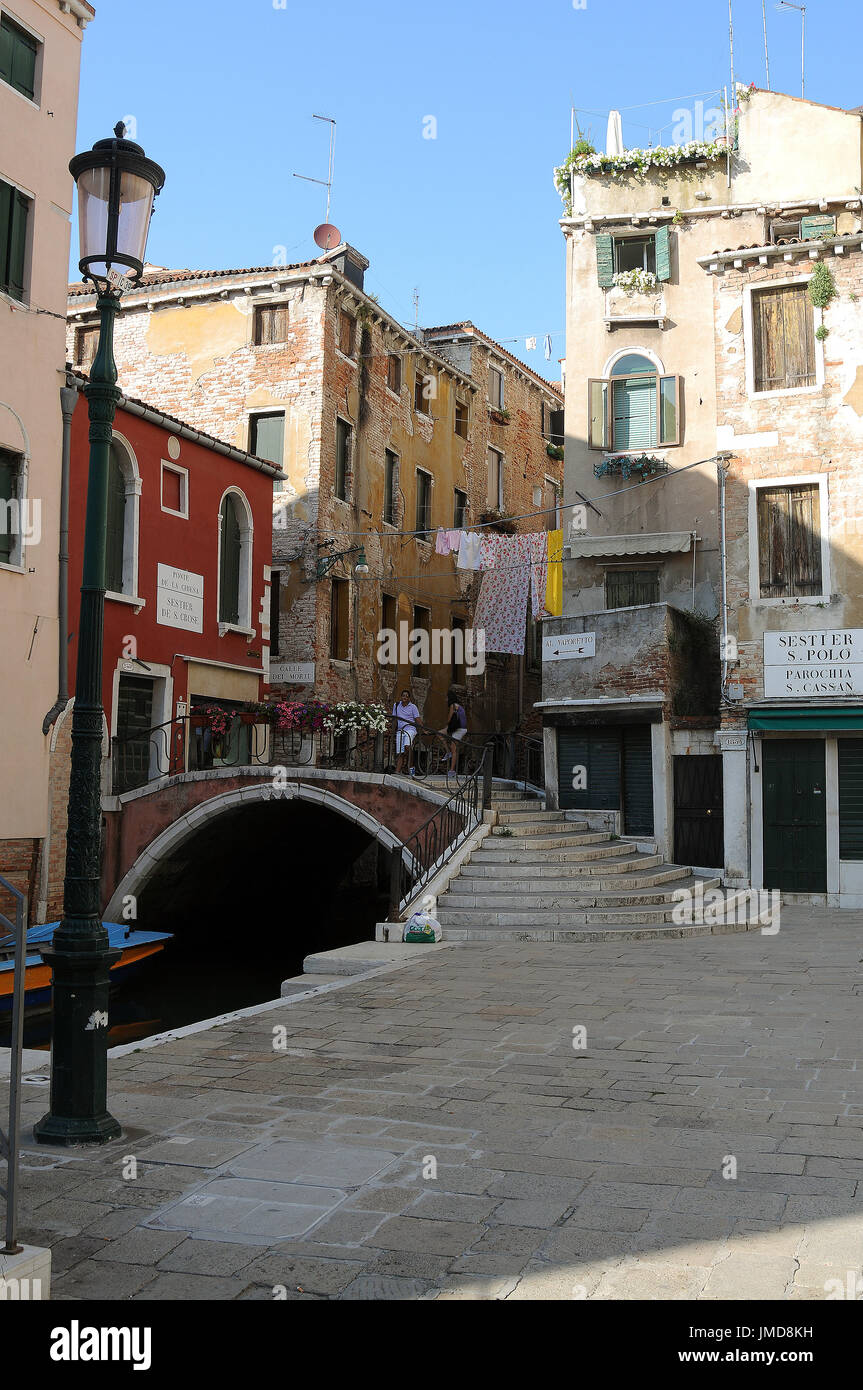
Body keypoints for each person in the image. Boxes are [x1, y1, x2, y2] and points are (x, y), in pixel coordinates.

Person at [393, 689, 422, 776]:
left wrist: (423, 729)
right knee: (400, 752)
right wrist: (392, 730)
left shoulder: (413, 707)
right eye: (403, 696)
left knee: (407, 746)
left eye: (407, 696)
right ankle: (398, 771)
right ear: (401, 697)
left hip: (410, 729)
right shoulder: (396, 705)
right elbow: (394, 719)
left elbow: (417, 719)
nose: (405, 697)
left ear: (409, 698)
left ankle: (411, 767)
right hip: (400, 730)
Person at [442, 691, 468, 774]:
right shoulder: (458, 706)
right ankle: (447, 752)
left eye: (447, 698)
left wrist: (446, 725)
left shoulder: (453, 706)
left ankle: (452, 770)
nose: (446, 699)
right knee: (440, 733)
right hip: (459, 728)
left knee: (454, 749)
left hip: (459, 729)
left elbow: (449, 719)